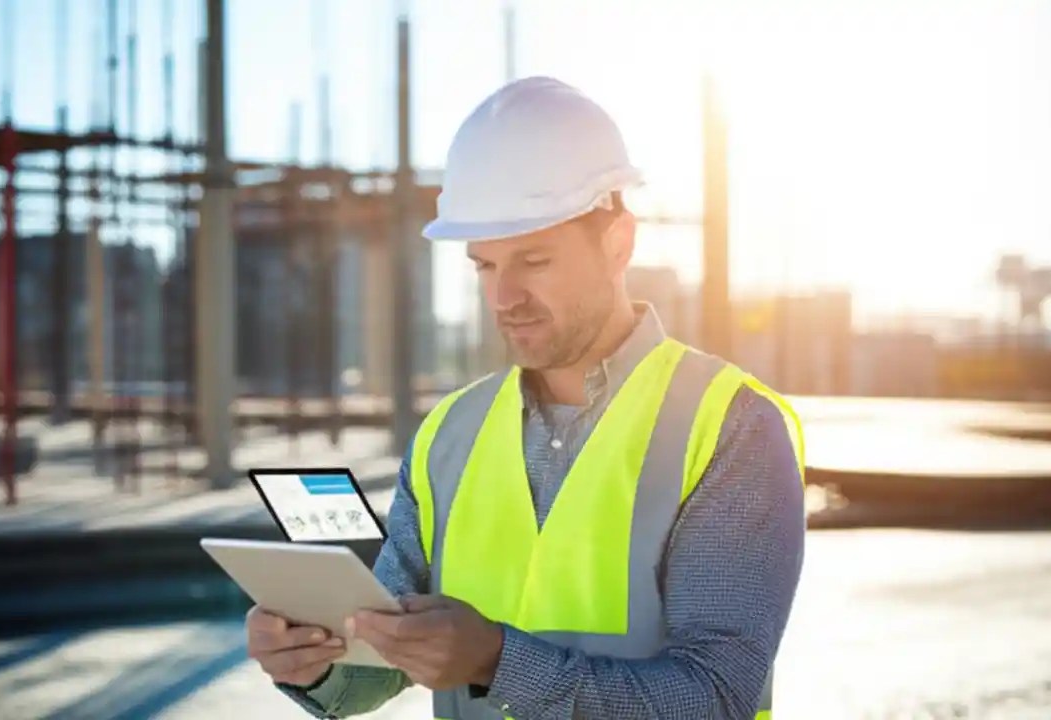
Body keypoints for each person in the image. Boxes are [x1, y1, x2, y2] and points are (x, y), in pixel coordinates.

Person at [246, 76, 805, 720]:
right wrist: (313, 664)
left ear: (618, 242)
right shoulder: (448, 434)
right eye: (485, 266)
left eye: (533, 261)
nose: (503, 297)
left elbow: (712, 698)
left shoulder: (729, 427)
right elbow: (380, 667)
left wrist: (494, 661)